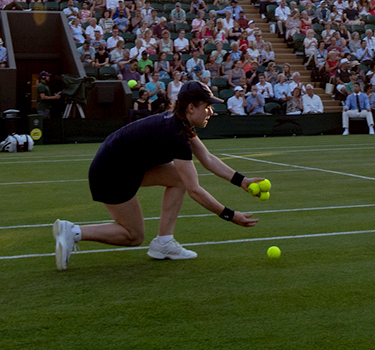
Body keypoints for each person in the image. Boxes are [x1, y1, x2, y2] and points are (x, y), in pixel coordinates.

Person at [52, 81, 262, 269]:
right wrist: (230, 215)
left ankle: (164, 243)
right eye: (207, 107)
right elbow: (195, 191)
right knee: (134, 236)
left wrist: (242, 181)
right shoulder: (176, 133)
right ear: (191, 108)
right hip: (110, 174)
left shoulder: (180, 124)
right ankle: (73, 232)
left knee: (178, 178)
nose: (211, 111)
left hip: (123, 166)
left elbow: (207, 159)